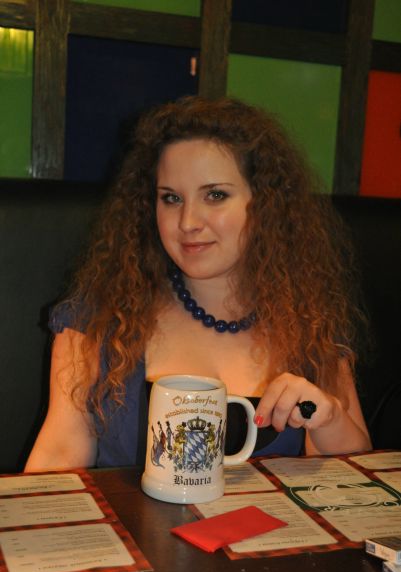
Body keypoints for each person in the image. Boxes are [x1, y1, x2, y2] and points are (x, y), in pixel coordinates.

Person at [25, 96, 372, 471]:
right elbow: (58, 456)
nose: (188, 222)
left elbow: (354, 476)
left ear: (265, 205)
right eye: (171, 198)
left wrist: (329, 419)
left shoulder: (311, 322)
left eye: (215, 195)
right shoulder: (97, 317)